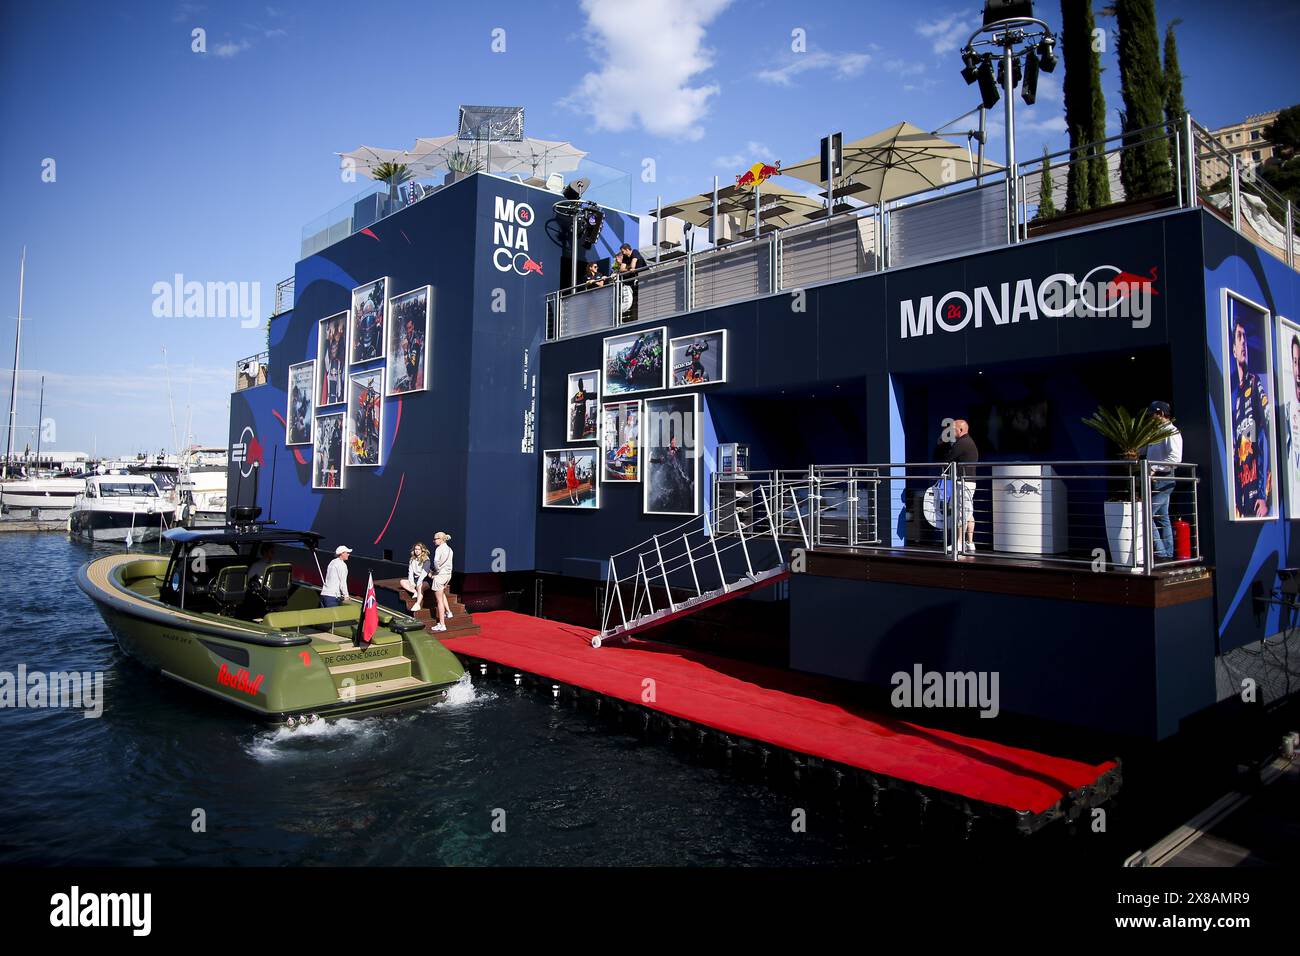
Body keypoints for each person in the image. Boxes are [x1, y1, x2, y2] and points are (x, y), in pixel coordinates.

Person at [1230, 314, 1271, 518]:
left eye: (1245, 336)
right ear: (1233, 349)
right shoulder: (1235, 399)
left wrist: (1263, 494)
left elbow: (1267, 434)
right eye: (1239, 337)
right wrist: (1235, 500)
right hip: (1243, 498)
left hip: (1258, 496)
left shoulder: (1255, 384)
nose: (1244, 342)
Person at [1141, 401, 1183, 560]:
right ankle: (1167, 554)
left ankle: (1161, 553)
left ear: (1161, 414)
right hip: (1156, 479)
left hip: (1164, 479)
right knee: (1162, 517)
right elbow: (1142, 450)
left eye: (1153, 414)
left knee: (1146, 515)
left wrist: (1155, 468)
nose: (1151, 418)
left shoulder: (1171, 432)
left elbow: (1175, 458)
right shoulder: (1155, 433)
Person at [933, 418, 979, 551]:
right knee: (968, 512)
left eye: (953, 430)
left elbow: (946, 458)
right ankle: (970, 543)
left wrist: (941, 443)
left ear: (961, 430)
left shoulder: (963, 443)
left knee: (961, 512)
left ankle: (958, 544)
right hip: (968, 482)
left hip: (964, 483)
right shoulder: (966, 442)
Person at [429, 532, 454, 632]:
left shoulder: (439, 549)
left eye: (435, 539)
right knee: (442, 594)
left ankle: (442, 624)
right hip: (448, 575)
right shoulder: (450, 549)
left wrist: (436, 571)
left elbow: (436, 562)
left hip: (440, 576)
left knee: (439, 601)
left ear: (441, 539)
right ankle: (449, 612)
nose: (434, 541)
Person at [401, 542, 431, 612]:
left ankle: (417, 604)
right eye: (415, 549)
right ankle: (415, 592)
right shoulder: (412, 559)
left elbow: (424, 573)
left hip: (425, 579)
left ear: (422, 550)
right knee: (402, 582)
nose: (417, 551)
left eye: (419, 549)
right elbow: (410, 572)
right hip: (416, 578)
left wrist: (418, 583)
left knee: (420, 586)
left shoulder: (426, 559)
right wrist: (411, 582)